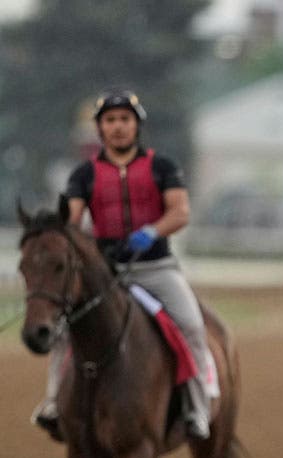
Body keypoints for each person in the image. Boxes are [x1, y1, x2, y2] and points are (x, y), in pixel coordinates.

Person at [33, 89, 214, 440]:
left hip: (156, 268)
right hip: (106, 272)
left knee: (192, 326)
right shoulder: (84, 175)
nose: (118, 126)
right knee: (64, 330)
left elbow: (180, 212)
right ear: (100, 128)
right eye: (110, 120)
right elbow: (72, 219)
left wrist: (152, 231)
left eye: (124, 120)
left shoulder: (163, 167)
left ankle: (198, 408)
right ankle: (54, 402)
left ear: (136, 126)